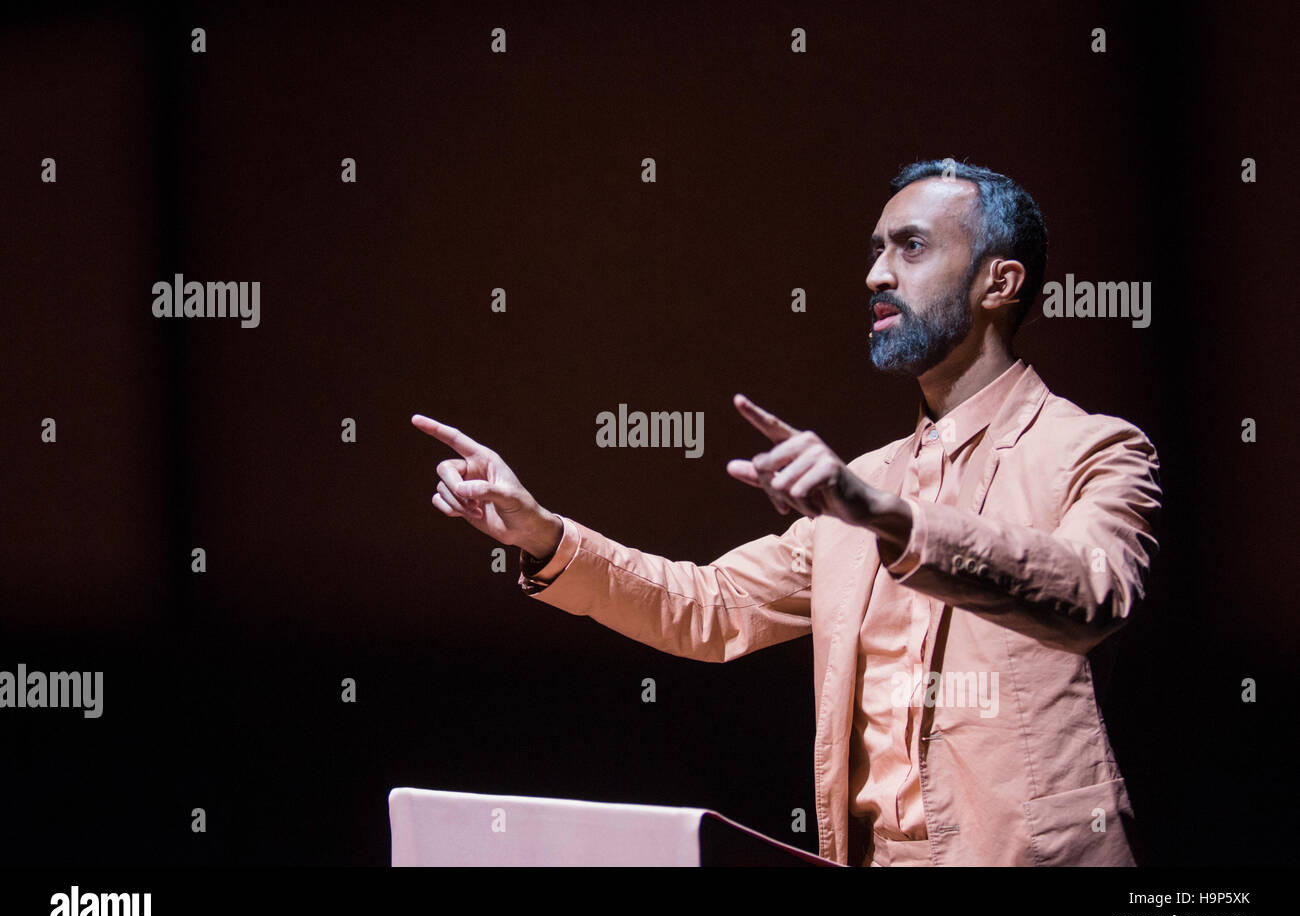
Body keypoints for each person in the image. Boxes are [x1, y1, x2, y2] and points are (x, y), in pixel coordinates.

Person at [411, 159, 1162, 866]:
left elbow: (1094, 593)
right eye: (875, 249)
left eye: (911, 246)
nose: (876, 274)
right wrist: (544, 534)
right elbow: (709, 607)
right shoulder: (865, 484)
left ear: (999, 283)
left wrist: (887, 517)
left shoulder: (1091, 449)